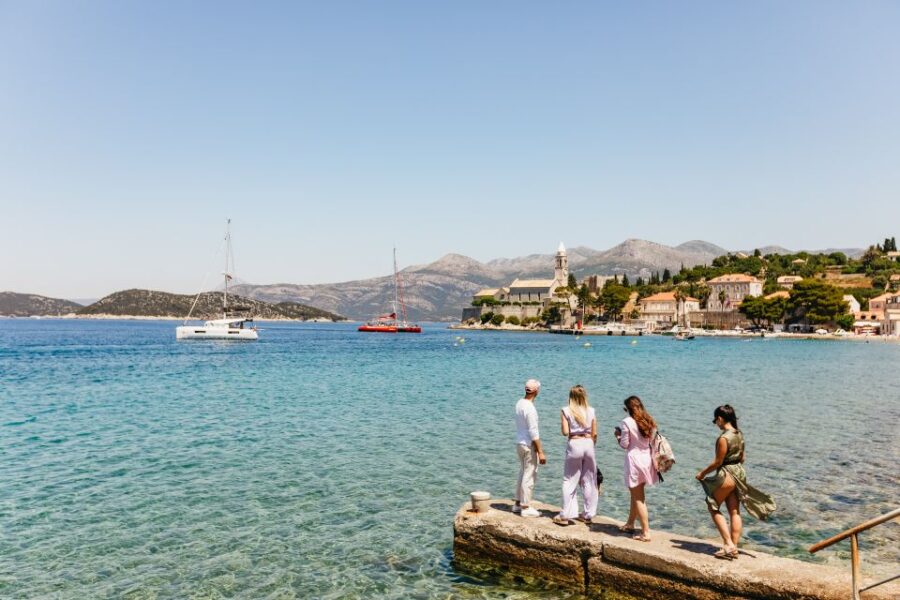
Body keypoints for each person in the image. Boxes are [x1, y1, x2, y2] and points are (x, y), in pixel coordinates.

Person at [696, 405, 776, 560]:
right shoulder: (739, 434)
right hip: (739, 473)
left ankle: (728, 544)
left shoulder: (724, 438)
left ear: (720, 419)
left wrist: (702, 473)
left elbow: (718, 462)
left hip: (727, 475)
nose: (716, 424)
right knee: (734, 511)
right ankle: (734, 547)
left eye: (716, 421)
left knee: (712, 506)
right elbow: (742, 458)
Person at [614, 395, 658, 541]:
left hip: (634, 460)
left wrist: (618, 437)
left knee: (639, 498)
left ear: (627, 408)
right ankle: (630, 524)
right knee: (636, 494)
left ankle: (646, 532)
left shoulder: (626, 422)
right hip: (647, 460)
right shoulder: (649, 420)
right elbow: (652, 441)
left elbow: (625, 445)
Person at [553, 385, 598, 526]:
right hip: (589, 444)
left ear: (571, 397)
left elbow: (565, 432)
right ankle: (587, 515)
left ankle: (565, 515)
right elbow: (594, 433)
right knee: (589, 480)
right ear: (584, 396)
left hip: (575, 443)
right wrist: (591, 445)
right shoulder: (591, 410)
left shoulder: (566, 410)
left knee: (569, 480)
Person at [514, 379, 546, 517]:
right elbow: (534, 432)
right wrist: (541, 451)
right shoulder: (530, 408)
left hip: (519, 443)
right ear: (536, 391)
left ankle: (517, 503)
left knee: (522, 472)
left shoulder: (519, 403)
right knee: (530, 474)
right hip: (528, 444)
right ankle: (526, 507)